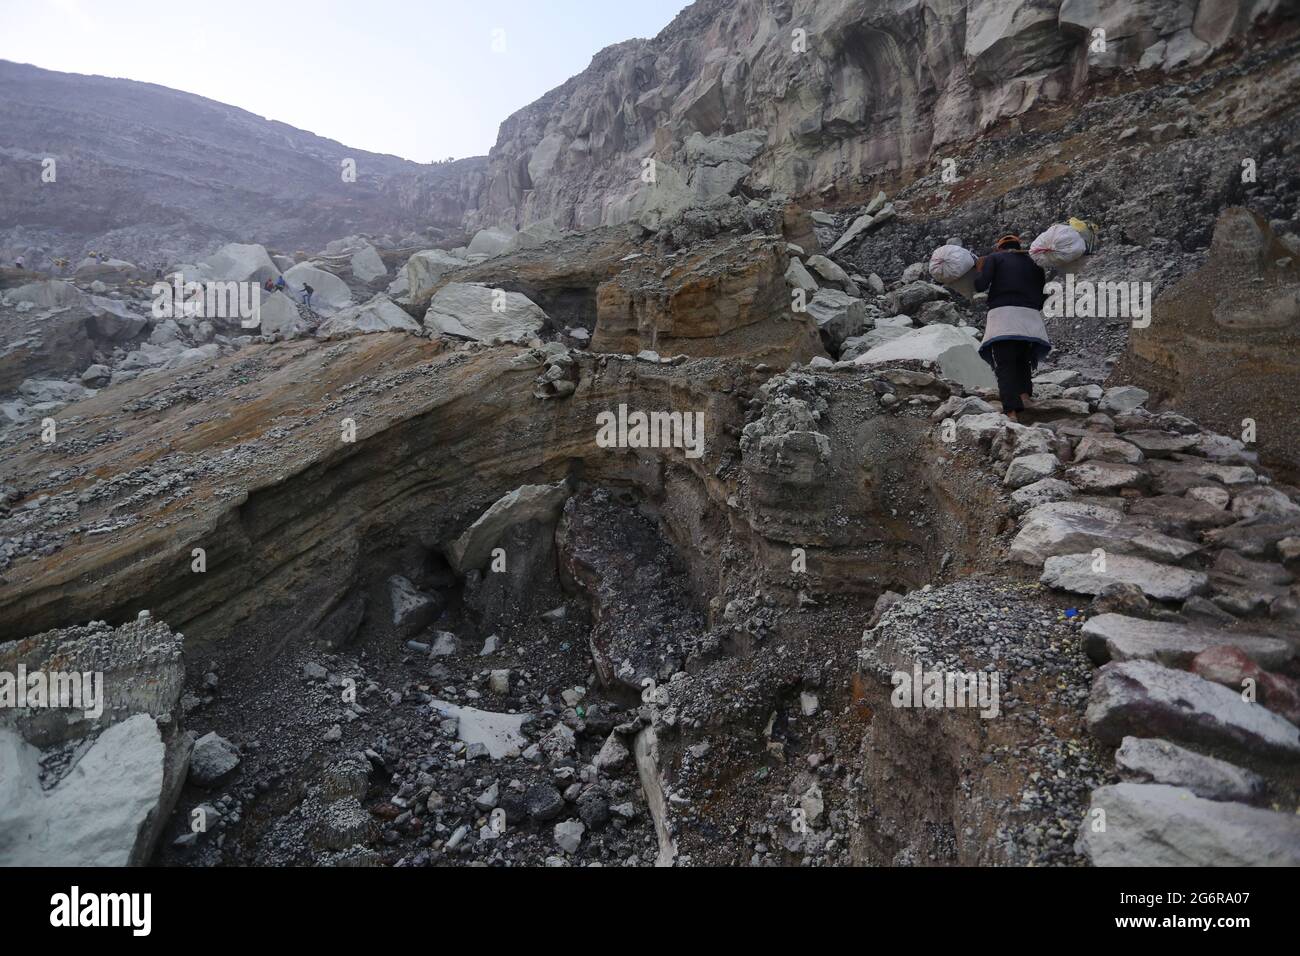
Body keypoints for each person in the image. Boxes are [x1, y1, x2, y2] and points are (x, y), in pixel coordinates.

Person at [973, 234, 1052, 422]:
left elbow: (980, 285)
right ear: (1018, 246)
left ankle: (1011, 412)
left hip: (1004, 317)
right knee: (1023, 359)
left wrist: (977, 272)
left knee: (1005, 364)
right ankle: (1025, 397)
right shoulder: (1035, 263)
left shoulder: (994, 258)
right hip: (1029, 318)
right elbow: (1042, 297)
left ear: (1000, 248)